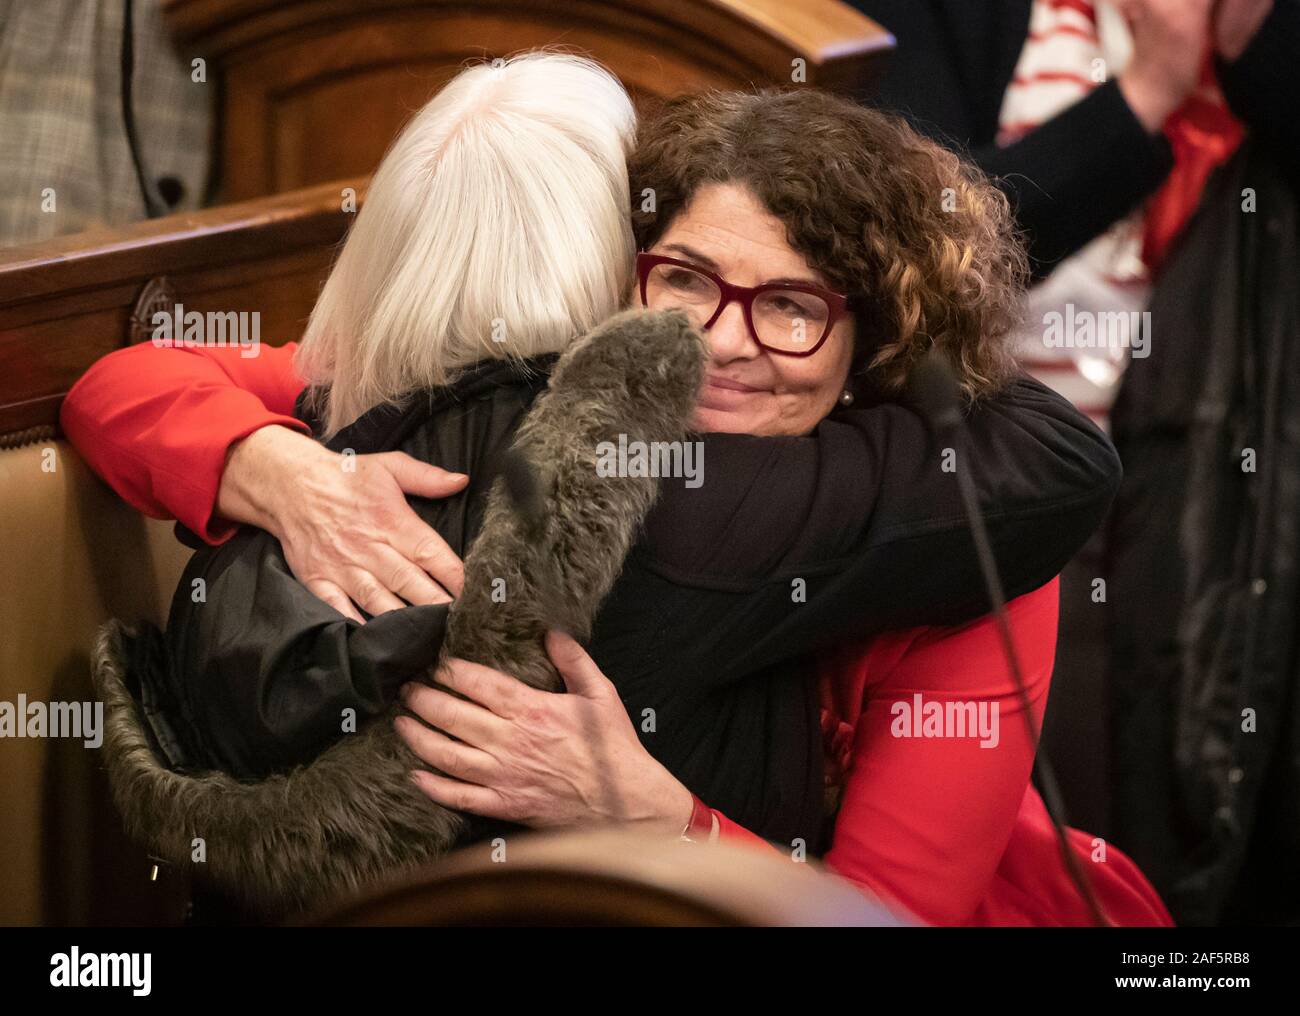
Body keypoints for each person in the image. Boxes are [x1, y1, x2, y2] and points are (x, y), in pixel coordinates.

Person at [65, 62, 1163, 924]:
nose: (720, 345)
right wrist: (279, 467)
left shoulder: (970, 543)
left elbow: (885, 918)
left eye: (790, 305)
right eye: (684, 280)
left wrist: (661, 820)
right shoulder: (544, 423)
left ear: (871, 335)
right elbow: (124, 384)